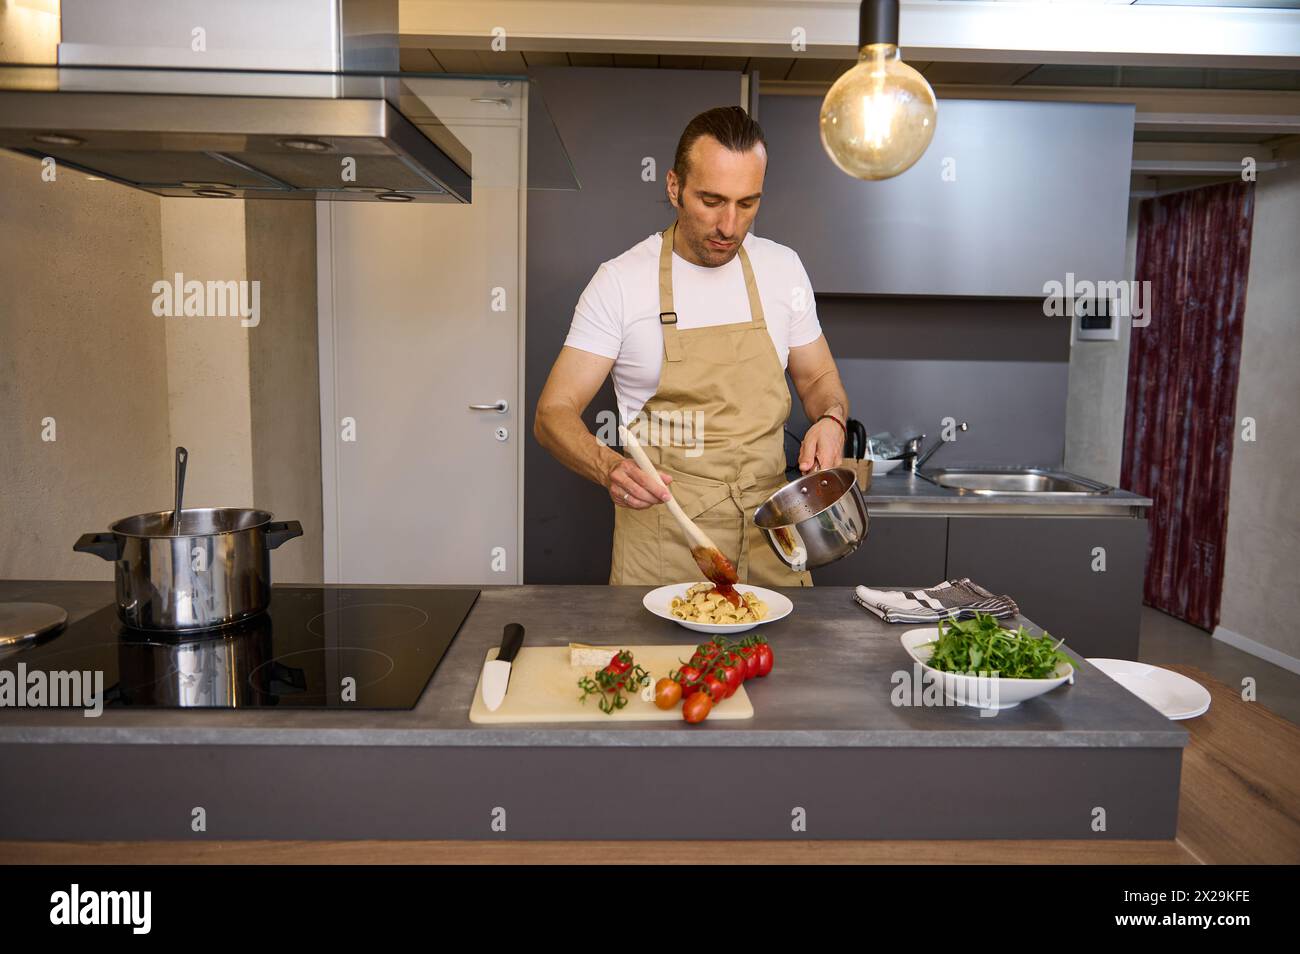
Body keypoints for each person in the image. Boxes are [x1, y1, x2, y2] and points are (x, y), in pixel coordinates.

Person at [534, 106, 850, 586]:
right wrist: (608, 467)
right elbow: (552, 412)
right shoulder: (620, 282)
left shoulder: (783, 269)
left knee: (781, 663)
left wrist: (831, 419)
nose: (729, 225)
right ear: (674, 187)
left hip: (774, 537)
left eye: (747, 203)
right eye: (711, 200)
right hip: (668, 542)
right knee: (664, 664)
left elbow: (819, 378)